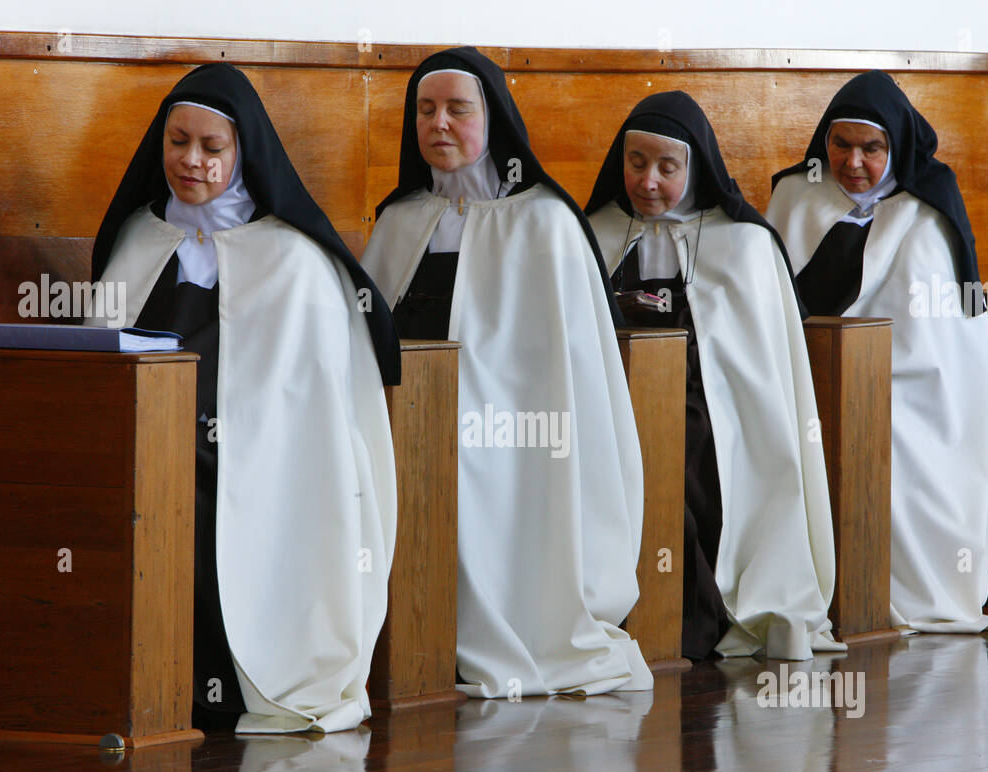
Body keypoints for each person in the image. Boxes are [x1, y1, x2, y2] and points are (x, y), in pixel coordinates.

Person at [89, 63, 401, 733]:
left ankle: (224, 681)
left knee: (205, 485)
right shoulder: (139, 239)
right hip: (140, 442)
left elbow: (309, 411)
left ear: (243, 152)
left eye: (212, 148)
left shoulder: (294, 260)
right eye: (178, 143)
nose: (191, 161)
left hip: (249, 456)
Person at [360, 47, 651, 698]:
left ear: (493, 120)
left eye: (458, 111)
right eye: (425, 111)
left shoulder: (545, 222)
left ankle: (503, 631)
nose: (438, 124)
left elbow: (558, 367)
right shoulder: (400, 220)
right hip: (405, 419)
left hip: (514, 431)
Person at [585, 91, 840, 661]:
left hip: (710, 403)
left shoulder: (744, 243)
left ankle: (695, 613)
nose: (647, 181)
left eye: (666, 167)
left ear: (694, 167)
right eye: (635, 163)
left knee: (687, 450)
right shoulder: (591, 234)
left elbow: (756, 371)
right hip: (609, 399)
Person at [765, 70, 988, 633]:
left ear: (894, 147)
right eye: (841, 144)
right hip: (804, 382)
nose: (853, 162)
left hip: (912, 393)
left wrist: (863, 384)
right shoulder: (793, 196)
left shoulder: (928, 214)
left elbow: (941, 345)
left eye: (871, 148)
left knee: (888, 440)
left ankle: (889, 591)